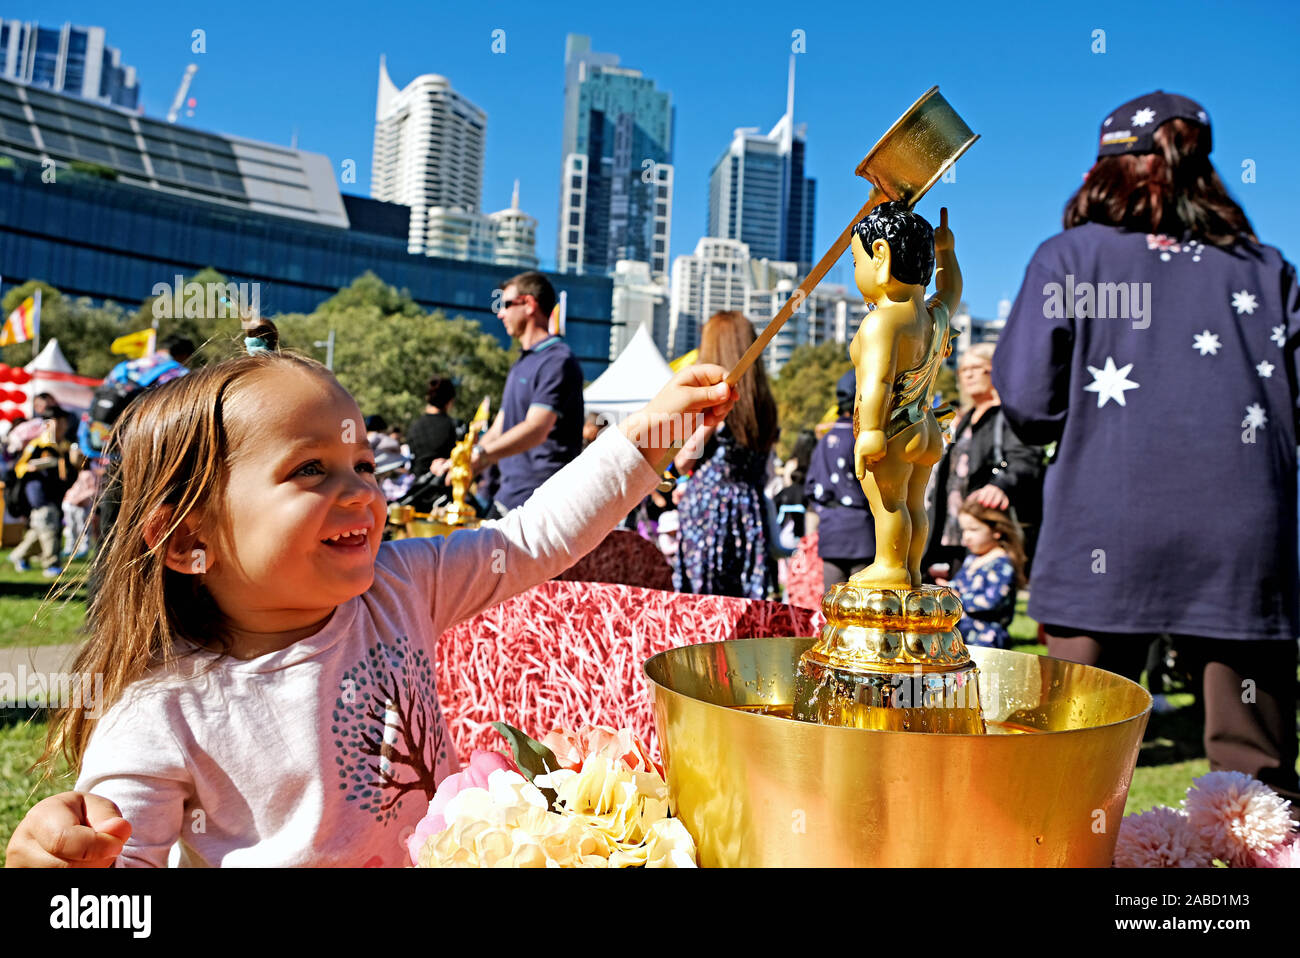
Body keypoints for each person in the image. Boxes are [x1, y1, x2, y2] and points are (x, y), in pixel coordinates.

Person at [4, 349, 736, 867]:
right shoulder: (160, 714)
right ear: (188, 539)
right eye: (310, 469)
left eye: (364, 465)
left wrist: (653, 434)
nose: (362, 493)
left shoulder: (401, 584)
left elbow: (533, 537)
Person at [992, 91, 1300, 806]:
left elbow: (1032, 404)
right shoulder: (1267, 270)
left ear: (1106, 170)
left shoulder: (1073, 260)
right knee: (1259, 780)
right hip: (1244, 535)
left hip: (1108, 523)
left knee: (1071, 772)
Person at [443, 272, 583, 513]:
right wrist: (461, 461)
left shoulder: (558, 360)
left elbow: (536, 428)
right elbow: (500, 427)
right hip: (508, 497)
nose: (500, 313)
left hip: (543, 501)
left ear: (529, 304)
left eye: (506, 304)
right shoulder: (521, 362)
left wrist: (481, 454)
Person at [673, 311, 779, 599]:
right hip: (750, 511)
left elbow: (682, 461)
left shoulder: (712, 402)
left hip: (708, 511)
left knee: (706, 607)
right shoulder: (764, 404)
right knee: (744, 603)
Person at [925, 343, 1043, 579]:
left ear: (996, 370)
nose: (968, 374)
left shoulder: (1009, 414)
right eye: (963, 370)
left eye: (976, 368)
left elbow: (1026, 458)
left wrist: (1000, 485)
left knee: (981, 606)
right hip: (953, 529)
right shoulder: (965, 418)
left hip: (987, 527)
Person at [805, 371, 874, 586]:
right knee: (862, 605)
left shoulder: (824, 441)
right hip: (861, 527)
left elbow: (810, 487)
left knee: (833, 605)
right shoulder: (863, 441)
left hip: (831, 527)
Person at [936, 497, 1027, 649]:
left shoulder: (1002, 563)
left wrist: (957, 598)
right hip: (961, 639)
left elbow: (991, 601)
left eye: (973, 529)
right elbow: (959, 584)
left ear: (997, 531)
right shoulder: (972, 559)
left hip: (986, 641)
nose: (966, 536)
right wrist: (944, 588)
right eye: (963, 530)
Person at [8, 409, 78, 576]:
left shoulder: (66, 445)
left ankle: (19, 555)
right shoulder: (37, 444)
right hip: (37, 492)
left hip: (57, 493)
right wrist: (40, 464)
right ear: (47, 424)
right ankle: (51, 564)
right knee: (49, 528)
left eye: (63, 422)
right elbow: (20, 467)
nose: (60, 426)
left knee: (39, 529)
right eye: (56, 422)